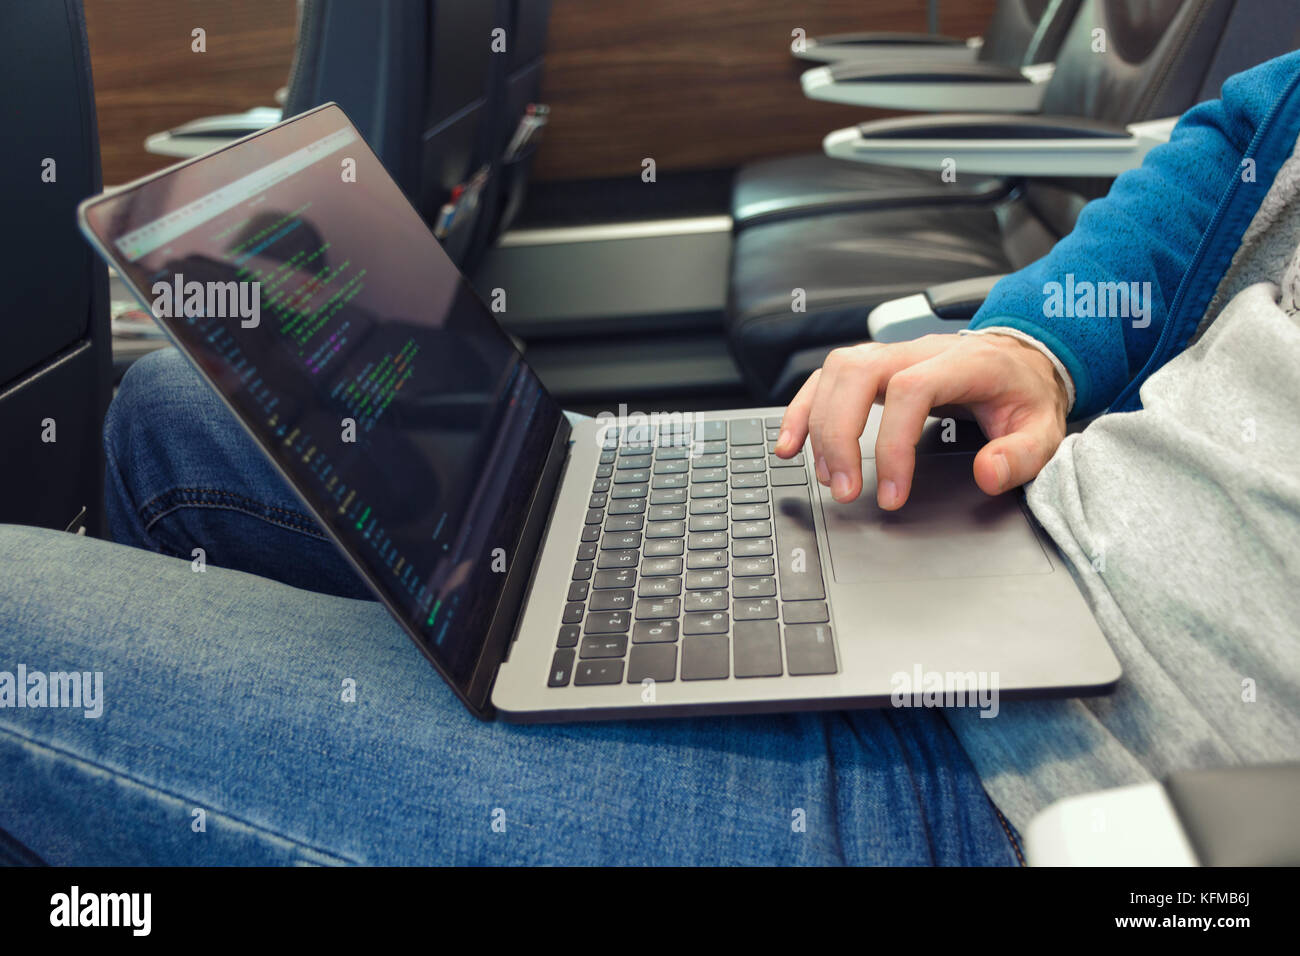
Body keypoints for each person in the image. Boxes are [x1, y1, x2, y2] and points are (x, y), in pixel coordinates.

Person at [1, 53, 1299, 866]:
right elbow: (1254, 125)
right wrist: (1043, 344)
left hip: (1057, 793)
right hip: (1007, 544)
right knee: (173, 414)